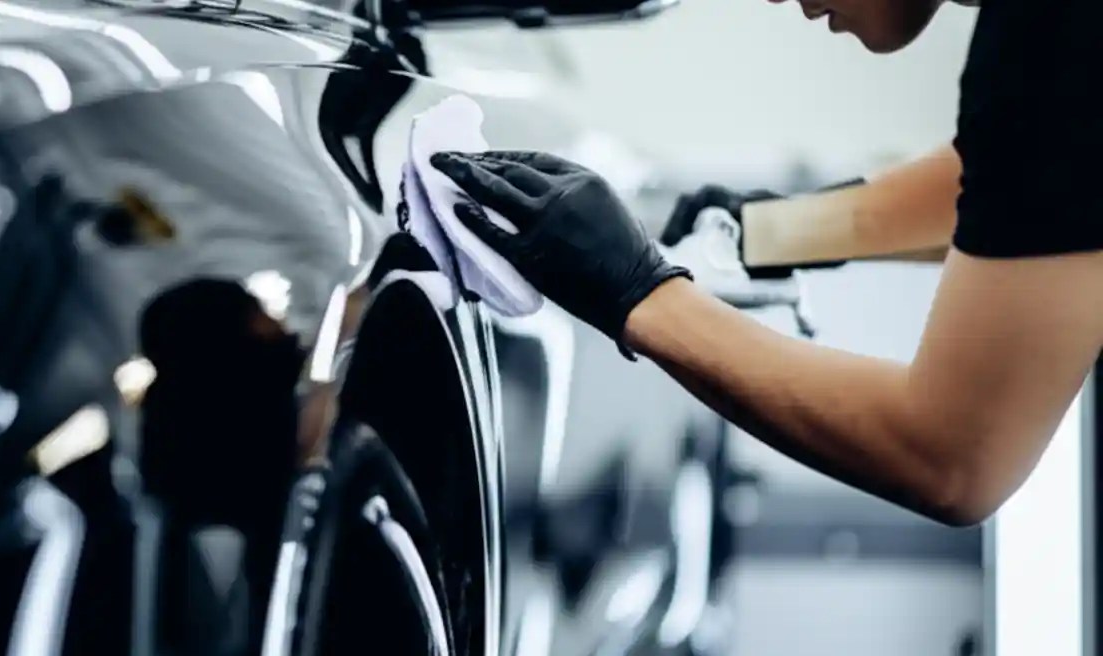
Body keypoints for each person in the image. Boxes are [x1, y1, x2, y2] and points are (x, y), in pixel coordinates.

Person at [429, 0, 1103, 526]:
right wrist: (773, 232)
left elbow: (953, 457)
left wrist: (640, 293)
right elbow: (1031, 176)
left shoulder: (1061, 33)